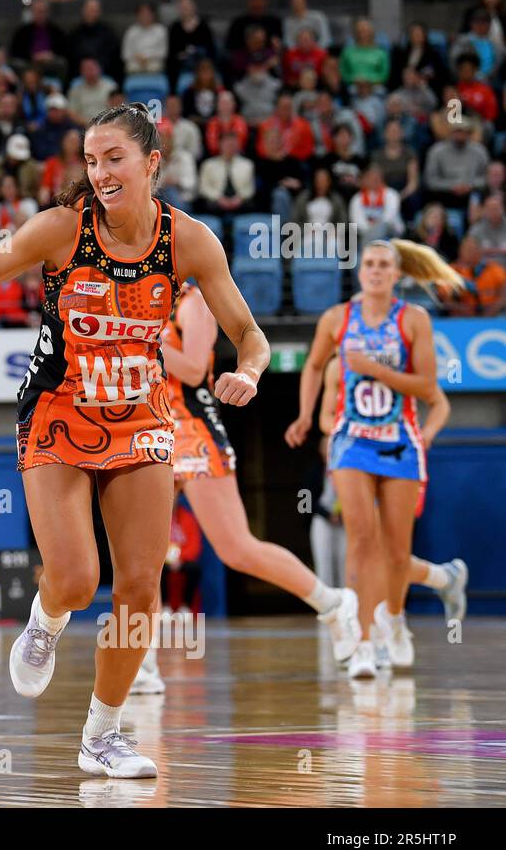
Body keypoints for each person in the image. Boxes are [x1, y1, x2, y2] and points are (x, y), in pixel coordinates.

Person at [0, 102, 270, 779]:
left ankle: (103, 733)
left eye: (114, 159)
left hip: (141, 418)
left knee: (141, 586)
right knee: (79, 579)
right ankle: (45, 621)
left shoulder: (190, 241)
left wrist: (249, 371)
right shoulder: (59, 231)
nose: (100, 172)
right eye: (90, 160)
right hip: (58, 411)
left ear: (151, 164)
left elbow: (249, 334)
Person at [129, 281, 362, 695]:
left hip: (193, 431)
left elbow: (195, 368)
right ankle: (142, 661)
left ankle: (333, 603)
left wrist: (139, 338)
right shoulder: (131, 296)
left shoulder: (193, 300)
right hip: (148, 428)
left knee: (237, 549)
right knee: (141, 553)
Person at [286, 240, 465, 677]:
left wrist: (376, 369)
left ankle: (396, 620)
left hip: (400, 441)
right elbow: (311, 366)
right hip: (351, 441)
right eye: (369, 264)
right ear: (360, 271)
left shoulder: (414, 320)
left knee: (397, 553)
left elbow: (427, 388)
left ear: (398, 274)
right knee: (361, 541)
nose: (376, 271)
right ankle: (363, 643)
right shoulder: (337, 318)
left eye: (384, 265)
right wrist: (306, 415)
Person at [318, 354, 467, 622]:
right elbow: (326, 419)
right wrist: (353, 430)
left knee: (388, 555)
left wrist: (427, 434)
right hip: (359, 461)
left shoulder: (400, 360)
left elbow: (440, 403)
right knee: (367, 551)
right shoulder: (337, 365)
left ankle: (385, 620)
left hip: (398, 462)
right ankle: (439, 580)